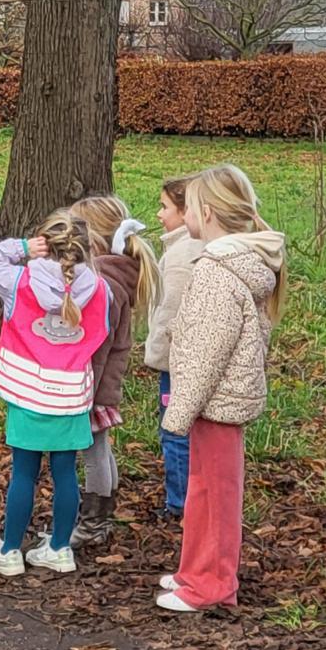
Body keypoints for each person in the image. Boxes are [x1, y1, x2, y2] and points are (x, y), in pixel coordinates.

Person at [158, 164, 285, 614]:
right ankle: (195, 572)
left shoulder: (216, 271)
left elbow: (205, 352)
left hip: (214, 404)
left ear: (207, 212)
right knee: (205, 492)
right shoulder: (235, 263)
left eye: (189, 206)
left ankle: (210, 586)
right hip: (220, 402)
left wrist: (178, 412)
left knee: (213, 497)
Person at [0, 218, 108, 577]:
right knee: (65, 473)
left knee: (23, 473)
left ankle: (9, 550)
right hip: (71, 393)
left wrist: (22, 247)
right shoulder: (99, 289)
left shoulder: (20, 282)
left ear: (45, 243)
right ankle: (60, 548)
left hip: (26, 390)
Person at [70, 194, 161, 543]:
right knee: (100, 449)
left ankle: (93, 524)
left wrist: (83, 390)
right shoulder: (116, 274)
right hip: (103, 383)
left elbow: (97, 346)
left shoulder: (103, 283)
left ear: (92, 238)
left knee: (93, 454)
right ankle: (101, 519)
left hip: (93, 385)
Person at [142, 174, 202, 519]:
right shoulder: (191, 247)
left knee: (175, 431)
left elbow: (170, 315)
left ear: (185, 210)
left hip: (177, 366)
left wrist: (159, 357)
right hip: (192, 362)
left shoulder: (181, 257)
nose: (159, 214)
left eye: (164, 207)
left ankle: (179, 503)